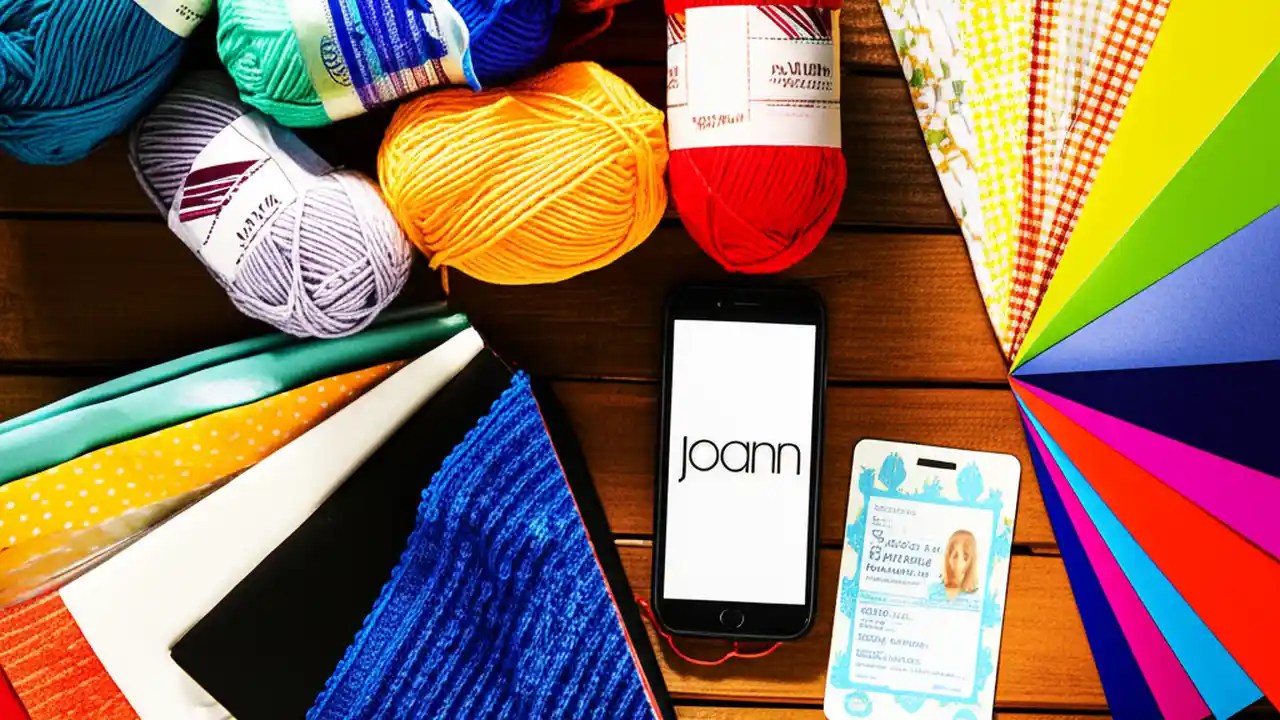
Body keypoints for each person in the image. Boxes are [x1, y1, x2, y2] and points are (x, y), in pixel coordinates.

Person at [942, 529, 979, 600]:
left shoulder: (975, 598)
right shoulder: (932, 591)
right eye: (955, 556)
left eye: (965, 557)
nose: (959, 563)